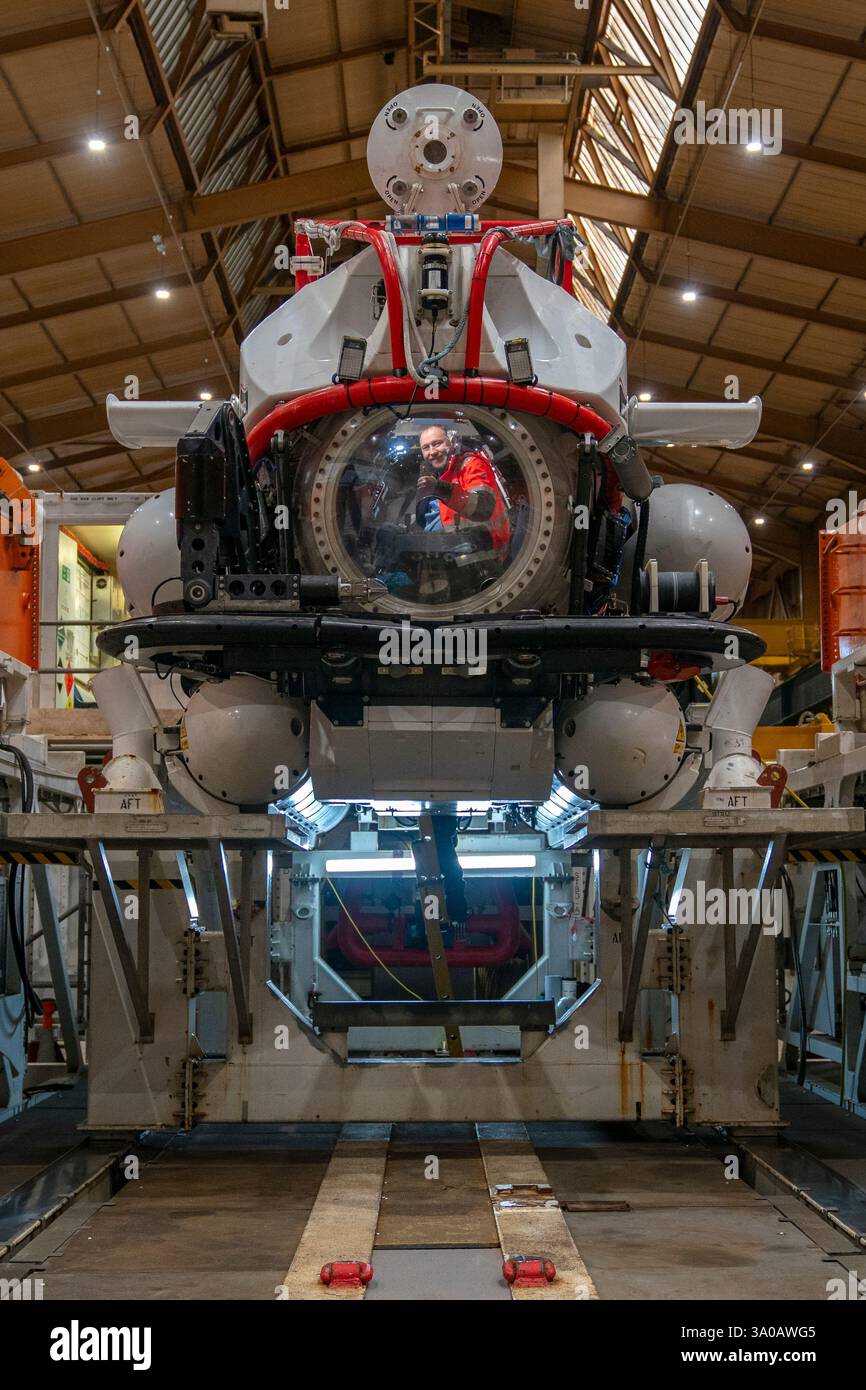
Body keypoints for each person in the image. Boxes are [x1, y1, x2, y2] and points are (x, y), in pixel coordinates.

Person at [415, 424, 511, 552]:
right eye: (426, 447)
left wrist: (440, 488)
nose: (432, 452)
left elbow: (483, 508)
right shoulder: (433, 475)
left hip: (478, 553)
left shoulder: (471, 465)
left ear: (451, 443)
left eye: (437, 444)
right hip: (439, 550)